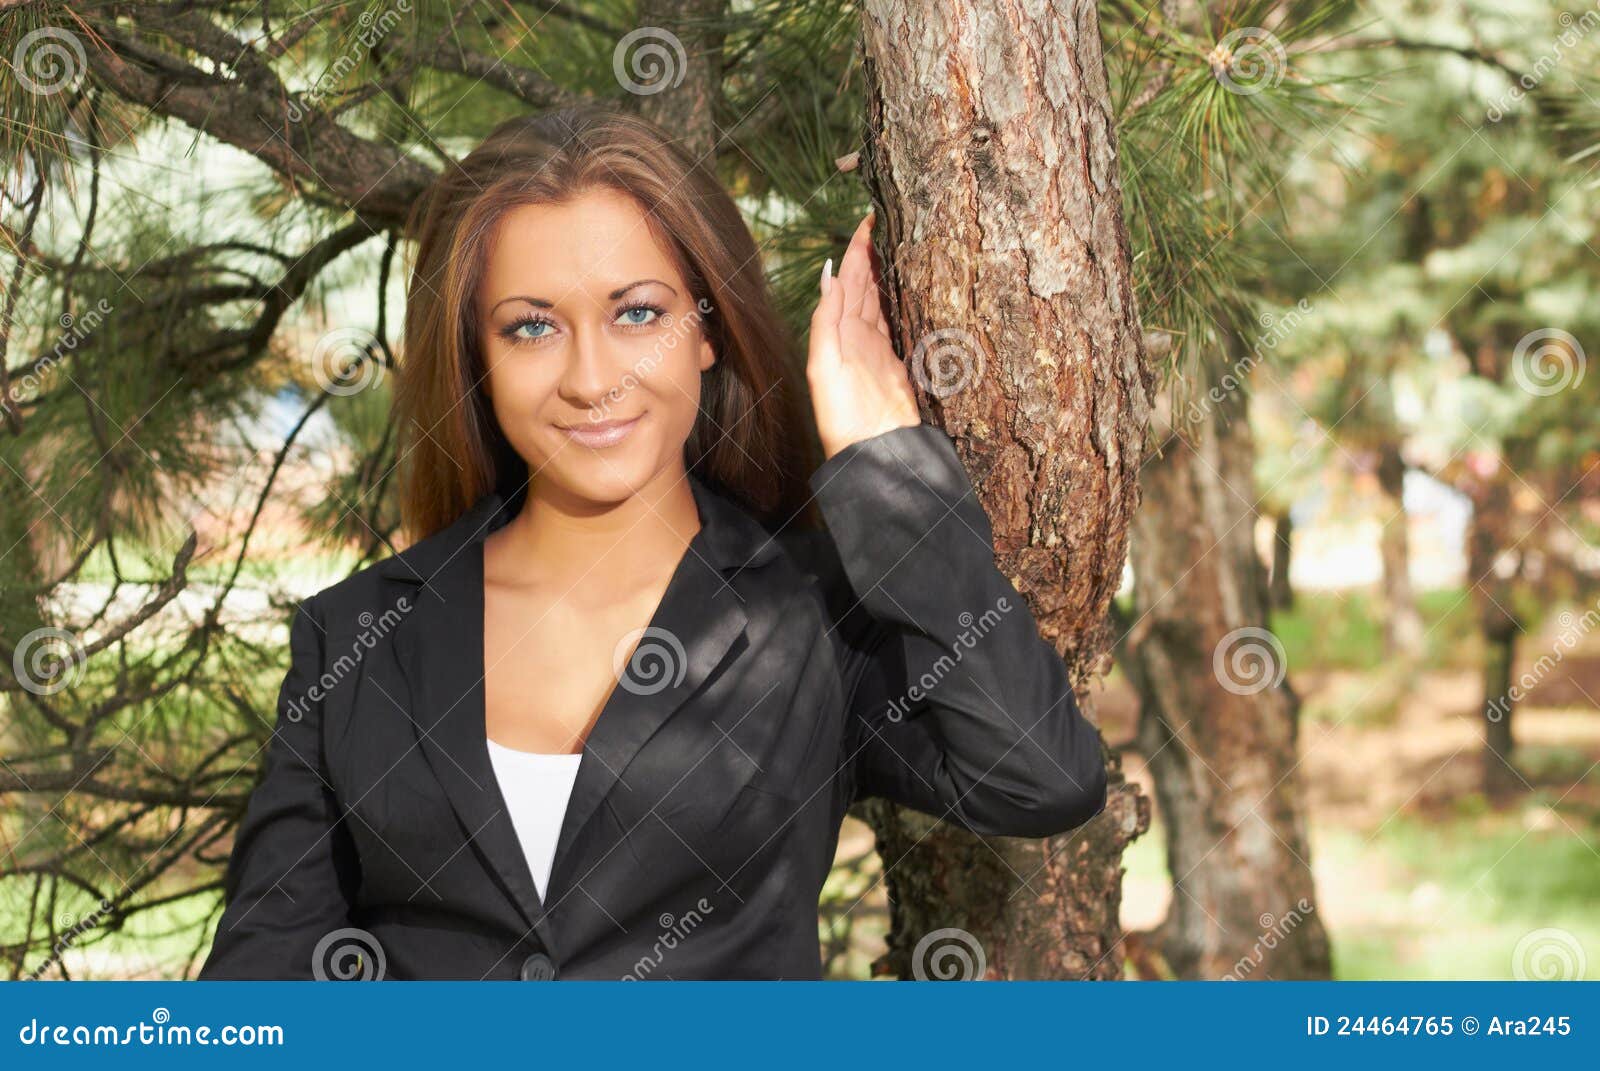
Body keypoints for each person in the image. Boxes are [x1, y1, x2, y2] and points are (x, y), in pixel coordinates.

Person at [199, 104, 1106, 982]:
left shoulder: (818, 615)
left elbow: (1041, 776)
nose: (593, 378)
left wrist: (886, 467)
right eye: (532, 326)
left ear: (706, 331)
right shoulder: (359, 637)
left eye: (637, 313)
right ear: (477, 355)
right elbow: (261, 981)